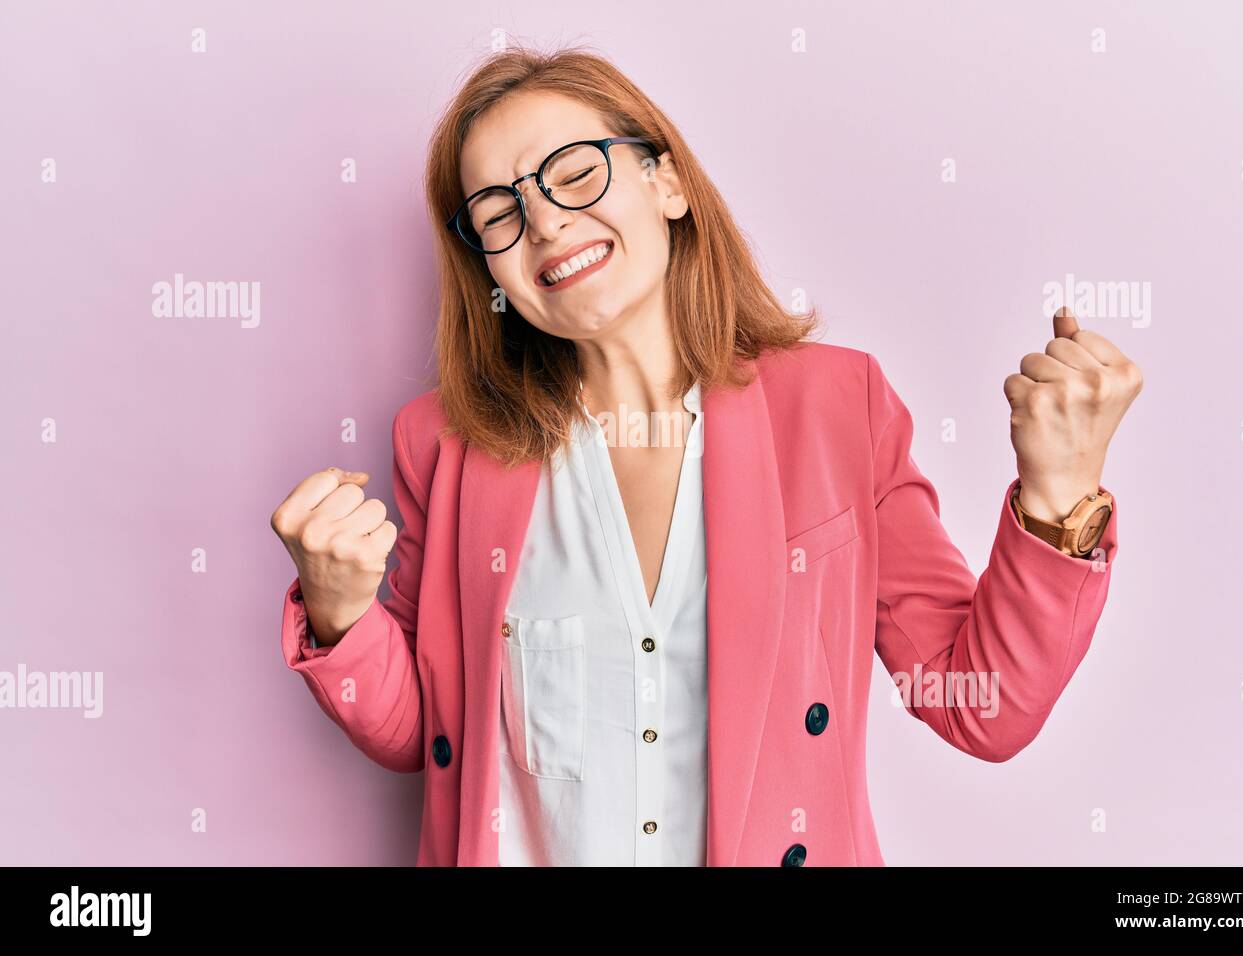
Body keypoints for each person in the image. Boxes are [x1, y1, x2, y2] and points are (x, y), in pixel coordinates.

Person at [269, 44, 1142, 867]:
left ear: (670, 185)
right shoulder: (443, 447)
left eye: (575, 173)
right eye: (500, 213)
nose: (544, 222)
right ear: (489, 268)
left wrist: (1058, 493)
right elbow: (425, 732)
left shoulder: (839, 408)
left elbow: (979, 704)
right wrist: (341, 612)